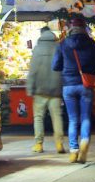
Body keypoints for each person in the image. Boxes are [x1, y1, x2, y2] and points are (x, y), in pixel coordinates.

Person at [52, 14, 95, 163]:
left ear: (71, 28)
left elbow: (55, 66)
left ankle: (74, 150)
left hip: (68, 85)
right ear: (84, 28)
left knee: (73, 119)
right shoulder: (91, 42)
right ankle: (85, 140)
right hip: (86, 84)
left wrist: (67, 67)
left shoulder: (63, 43)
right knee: (85, 117)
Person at [24, 21, 65, 154]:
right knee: (56, 117)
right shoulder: (58, 48)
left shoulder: (37, 49)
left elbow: (33, 70)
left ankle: (39, 144)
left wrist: (30, 88)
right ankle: (59, 144)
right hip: (56, 89)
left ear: (41, 35)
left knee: (38, 117)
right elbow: (63, 68)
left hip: (40, 90)